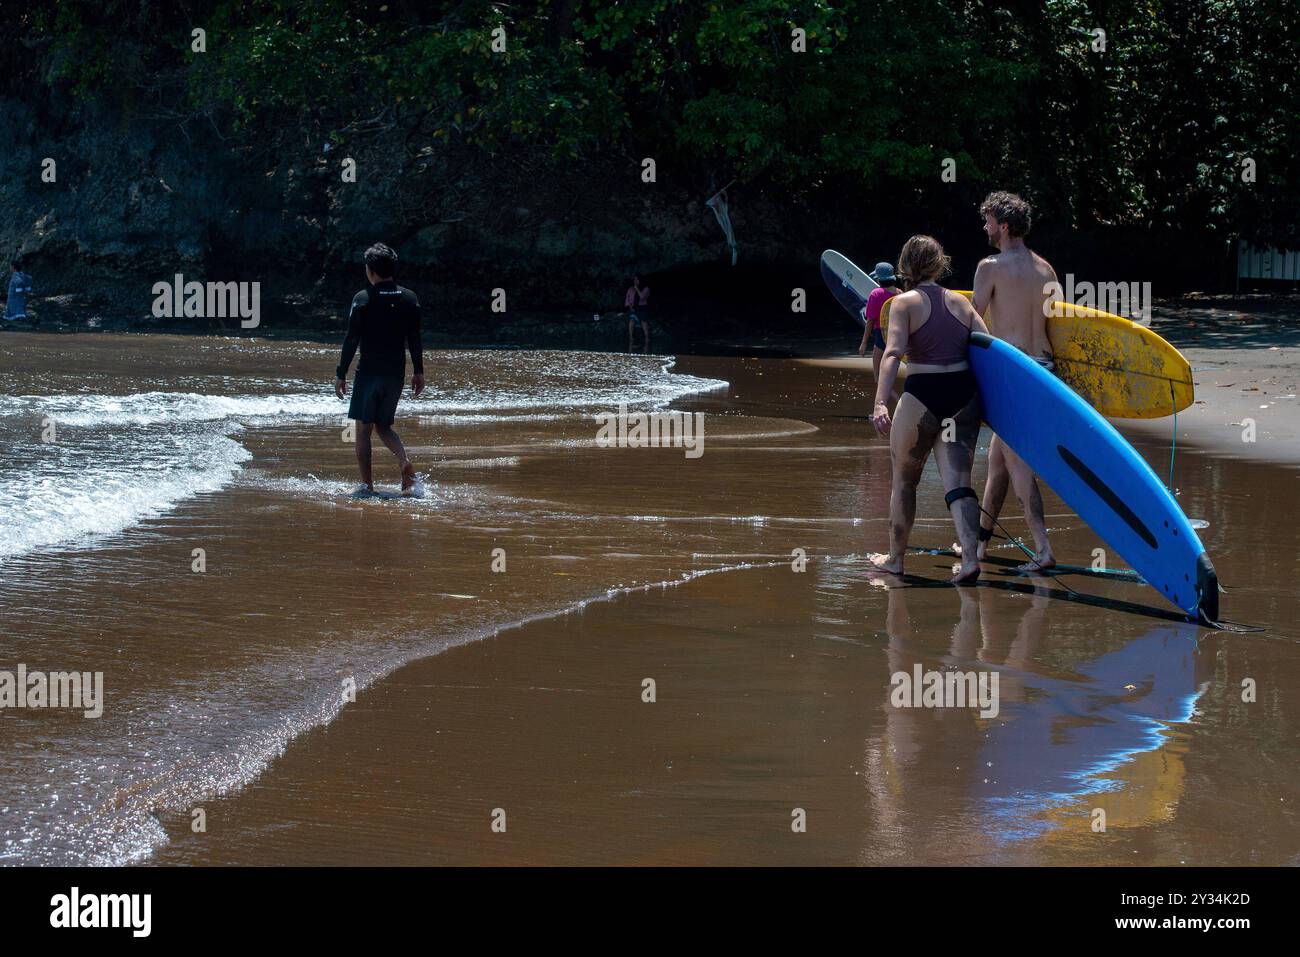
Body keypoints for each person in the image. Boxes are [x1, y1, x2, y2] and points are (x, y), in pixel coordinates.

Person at [870, 235, 989, 584]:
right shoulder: (963, 305)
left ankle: (895, 560)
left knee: (905, 481)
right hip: (963, 395)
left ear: (905, 265)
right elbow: (988, 350)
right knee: (959, 484)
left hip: (923, 393)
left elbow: (893, 353)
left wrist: (879, 402)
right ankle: (969, 560)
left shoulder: (903, 304)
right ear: (939, 263)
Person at [968, 191, 1058, 570]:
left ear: (1003, 226)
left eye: (989, 221)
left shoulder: (990, 267)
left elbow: (972, 323)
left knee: (1018, 464)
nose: (985, 227)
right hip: (1045, 371)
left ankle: (1043, 550)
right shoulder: (1046, 269)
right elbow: (1055, 325)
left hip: (1014, 374)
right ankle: (979, 546)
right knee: (999, 463)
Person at [334, 243, 425, 496]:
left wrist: (341, 373)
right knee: (383, 426)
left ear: (370, 270)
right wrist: (419, 372)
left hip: (368, 374)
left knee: (363, 428)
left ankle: (367, 486)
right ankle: (404, 460)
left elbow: (351, 339)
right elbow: (415, 338)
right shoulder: (409, 298)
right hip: (395, 374)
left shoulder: (362, 299)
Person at [857, 262, 903, 379]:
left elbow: (871, 321)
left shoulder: (875, 294)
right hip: (897, 339)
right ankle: (897, 397)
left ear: (878, 279)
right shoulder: (900, 293)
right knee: (891, 377)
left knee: (878, 377)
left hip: (881, 339)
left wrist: (864, 343)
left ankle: (890, 397)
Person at [625, 275, 650, 353]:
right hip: (633, 308)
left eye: (637, 280)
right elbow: (627, 299)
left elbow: (642, 297)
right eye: (634, 280)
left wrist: (637, 288)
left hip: (642, 308)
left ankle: (647, 337)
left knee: (643, 321)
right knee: (632, 320)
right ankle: (631, 337)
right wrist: (629, 306)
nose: (635, 281)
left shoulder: (646, 288)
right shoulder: (630, 289)